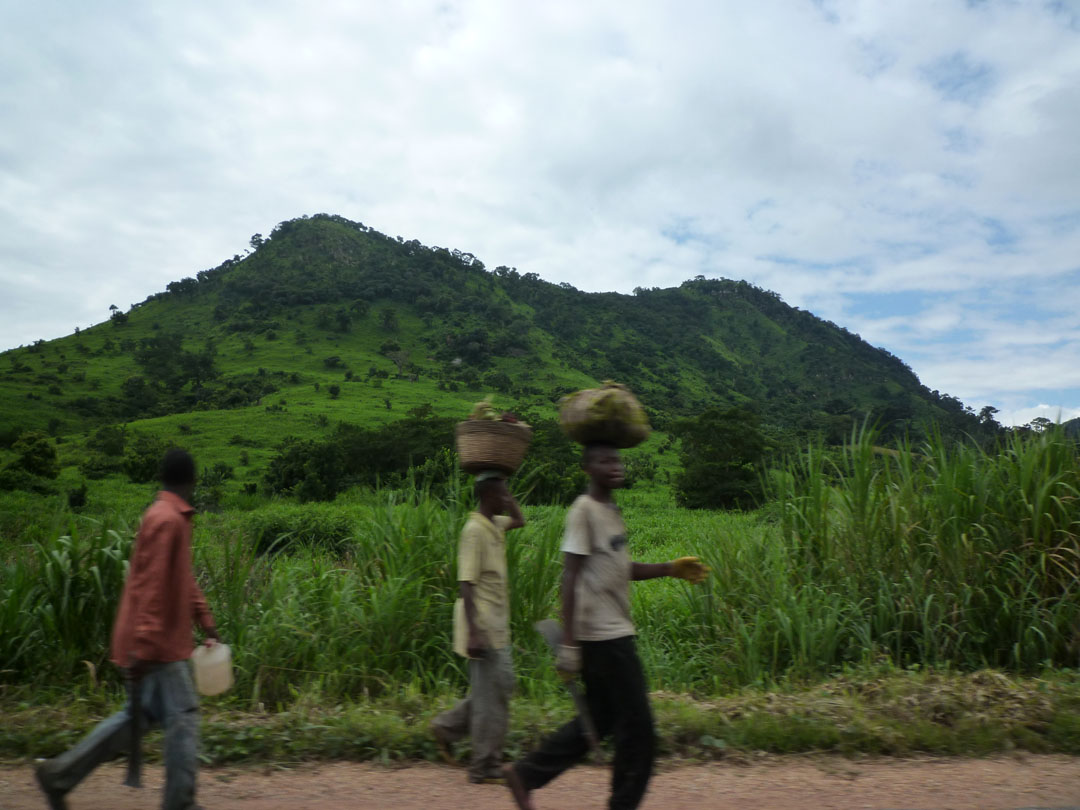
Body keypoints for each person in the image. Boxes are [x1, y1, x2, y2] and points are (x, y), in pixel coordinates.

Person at [503, 442, 709, 810]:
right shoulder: (583, 510)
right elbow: (570, 574)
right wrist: (568, 644)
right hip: (603, 637)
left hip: (613, 632)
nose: (614, 465)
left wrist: (669, 568)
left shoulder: (611, 511)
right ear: (587, 468)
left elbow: (619, 568)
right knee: (639, 732)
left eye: (616, 458)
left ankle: (526, 775)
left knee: (600, 719)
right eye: (603, 460)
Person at [35, 449, 220, 810]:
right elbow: (149, 587)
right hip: (156, 646)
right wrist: (144, 643)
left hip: (154, 642)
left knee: (136, 720)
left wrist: (205, 619)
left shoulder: (170, 516)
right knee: (182, 718)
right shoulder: (167, 520)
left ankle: (58, 776)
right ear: (192, 482)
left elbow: (181, 578)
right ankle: (180, 803)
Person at [430, 470, 526, 784]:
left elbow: (520, 521)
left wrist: (510, 501)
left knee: (498, 688)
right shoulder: (474, 530)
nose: (507, 498)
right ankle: (484, 765)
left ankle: (447, 727)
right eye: (502, 494)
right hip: (482, 626)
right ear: (487, 496)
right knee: (493, 693)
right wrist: (473, 631)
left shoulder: (493, 524)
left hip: (497, 625)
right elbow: (466, 584)